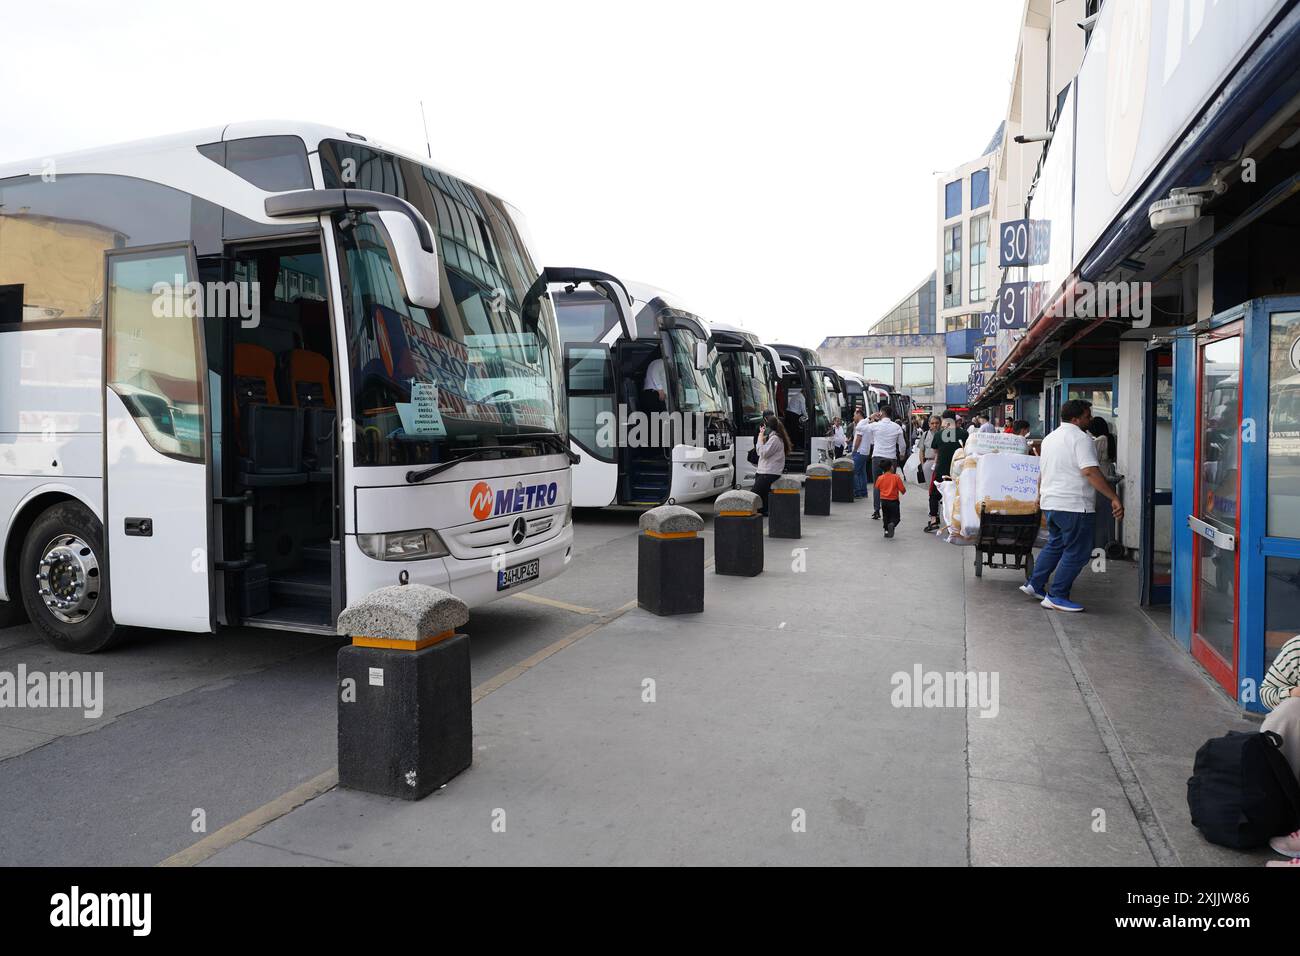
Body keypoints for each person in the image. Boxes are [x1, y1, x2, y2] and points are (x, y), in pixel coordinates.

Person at [1021, 400, 1123, 612]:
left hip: (1051, 503)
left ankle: (1034, 584)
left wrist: (1039, 495)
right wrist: (1113, 496)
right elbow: (1090, 471)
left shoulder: (1050, 438)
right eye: (1087, 416)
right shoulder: (1081, 439)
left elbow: (1043, 470)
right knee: (1078, 552)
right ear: (1076, 419)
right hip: (1074, 504)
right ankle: (1056, 595)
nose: (1090, 419)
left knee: (1056, 544)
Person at [1259, 635, 1300, 863]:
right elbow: (1266, 693)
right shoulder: (1298, 648)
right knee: (1291, 709)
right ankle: (1274, 803)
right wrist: (1292, 693)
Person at [926, 415, 967, 532]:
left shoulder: (939, 434)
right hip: (958, 471)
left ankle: (933, 520)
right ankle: (959, 521)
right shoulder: (964, 434)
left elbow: (935, 450)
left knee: (934, 494)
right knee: (959, 495)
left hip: (941, 469)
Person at [869, 406, 906, 521]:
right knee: (891, 484)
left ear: (881, 413)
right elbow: (902, 444)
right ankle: (890, 509)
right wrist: (902, 454)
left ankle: (876, 510)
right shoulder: (897, 427)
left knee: (877, 484)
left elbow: (862, 430)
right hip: (891, 458)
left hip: (877, 457)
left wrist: (870, 418)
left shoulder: (874, 425)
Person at [752, 412, 791, 516]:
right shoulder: (774, 438)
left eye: (765, 428)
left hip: (768, 472)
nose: (764, 431)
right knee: (763, 497)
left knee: (752, 496)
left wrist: (760, 437)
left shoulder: (775, 439)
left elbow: (762, 453)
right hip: (764, 471)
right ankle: (764, 513)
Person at [875, 459, 906, 538]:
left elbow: (877, 488)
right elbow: (902, 490)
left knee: (886, 516)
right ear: (891, 467)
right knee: (896, 517)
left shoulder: (880, 478)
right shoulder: (896, 477)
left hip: (884, 501)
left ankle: (886, 531)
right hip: (894, 501)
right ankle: (892, 524)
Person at [850, 407, 872, 498]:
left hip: (859, 451)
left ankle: (857, 492)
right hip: (865, 452)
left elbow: (859, 438)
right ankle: (864, 492)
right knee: (862, 473)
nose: (853, 417)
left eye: (854, 415)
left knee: (854, 472)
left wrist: (854, 450)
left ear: (859, 414)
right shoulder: (866, 423)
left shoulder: (861, 423)